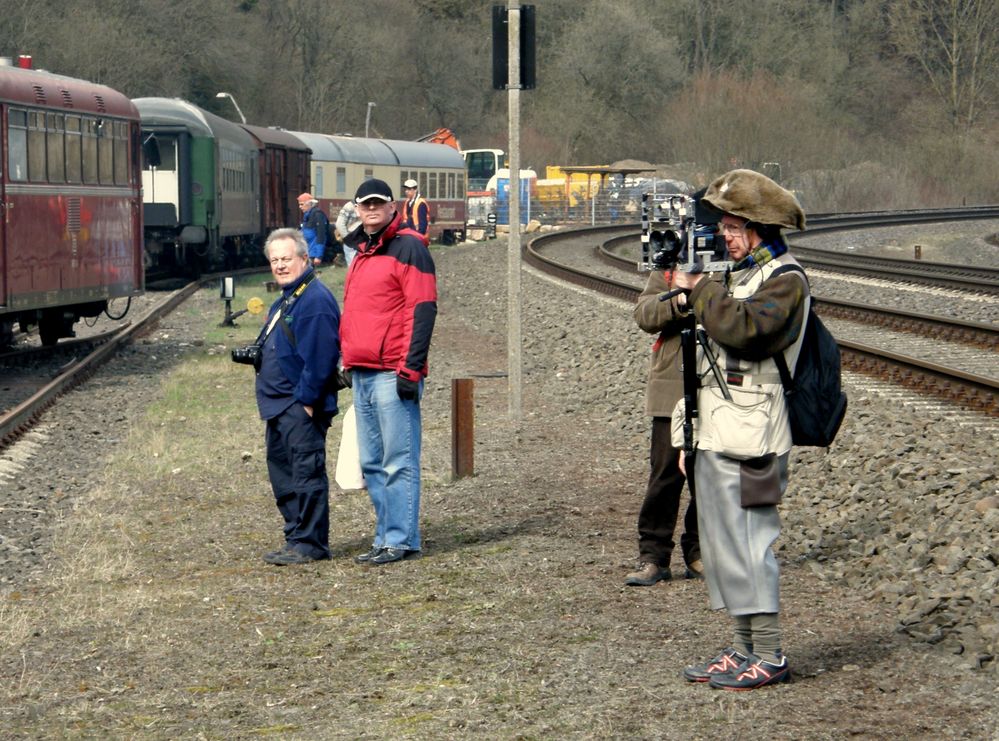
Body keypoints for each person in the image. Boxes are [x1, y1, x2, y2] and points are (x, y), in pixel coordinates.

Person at [672, 169, 808, 690]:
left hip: (755, 437)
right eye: (724, 226)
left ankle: (769, 654)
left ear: (759, 228)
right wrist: (691, 436)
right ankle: (742, 647)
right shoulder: (744, 275)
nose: (723, 236)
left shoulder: (786, 281)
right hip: (720, 431)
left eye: (732, 227)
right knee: (724, 544)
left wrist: (700, 289)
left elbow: (745, 331)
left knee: (751, 543)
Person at [340, 179, 437, 566]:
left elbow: (423, 308)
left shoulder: (409, 247)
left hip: (392, 372)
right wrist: (346, 360)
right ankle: (384, 537)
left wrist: (411, 368)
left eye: (378, 203)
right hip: (362, 372)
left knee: (398, 460)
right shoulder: (361, 252)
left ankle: (402, 538)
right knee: (372, 464)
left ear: (392, 205)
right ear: (357, 209)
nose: (372, 209)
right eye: (365, 204)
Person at [253, 228, 342, 565]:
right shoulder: (289, 296)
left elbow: (320, 357)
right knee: (285, 476)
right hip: (279, 406)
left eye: (286, 258)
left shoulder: (314, 299)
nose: (280, 265)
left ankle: (311, 544)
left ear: (304, 258)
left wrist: (306, 400)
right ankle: (295, 538)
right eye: (274, 260)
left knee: (305, 475)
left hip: (298, 405)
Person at [627, 265, 702, 586]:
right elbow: (644, 315)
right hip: (672, 385)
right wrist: (679, 296)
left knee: (711, 476)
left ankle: (700, 553)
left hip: (725, 384)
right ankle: (654, 557)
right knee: (665, 474)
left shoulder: (735, 265)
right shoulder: (672, 268)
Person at [297, 192, 330, 267]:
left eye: (302, 204)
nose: (300, 207)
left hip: (312, 254)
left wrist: (318, 256)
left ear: (309, 204)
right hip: (307, 252)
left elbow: (321, 236)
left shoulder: (317, 215)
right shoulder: (307, 216)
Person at [335, 199, 362, 266]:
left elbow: (339, 224)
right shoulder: (349, 206)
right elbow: (339, 224)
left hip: (356, 239)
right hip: (353, 238)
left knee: (354, 266)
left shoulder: (351, 206)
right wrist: (348, 239)